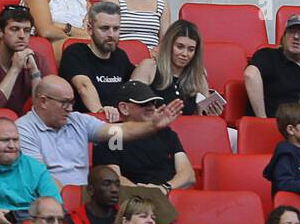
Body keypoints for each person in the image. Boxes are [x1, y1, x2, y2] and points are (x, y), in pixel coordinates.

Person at [18, 75, 184, 188]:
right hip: (48, 202)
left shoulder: (78, 120)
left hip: (82, 200)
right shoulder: (23, 129)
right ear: (43, 102)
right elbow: (41, 179)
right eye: (64, 103)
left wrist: (153, 126)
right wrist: (72, 201)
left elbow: (120, 131)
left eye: (72, 102)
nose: (70, 109)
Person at [92, 82, 195, 191]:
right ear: (124, 108)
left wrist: (165, 188)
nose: (151, 107)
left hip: (170, 194)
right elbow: (112, 177)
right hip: (132, 200)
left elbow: (188, 175)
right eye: (144, 103)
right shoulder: (112, 135)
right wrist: (145, 192)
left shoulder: (165, 132)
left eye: (153, 102)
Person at [59, 1, 135, 117]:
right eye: (104, 28)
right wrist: (101, 114)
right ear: (90, 29)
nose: (111, 34)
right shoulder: (75, 52)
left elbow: (136, 83)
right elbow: (84, 86)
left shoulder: (120, 56)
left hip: (120, 124)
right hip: (87, 125)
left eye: (116, 29)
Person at [246, 16, 300, 123]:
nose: (296, 37)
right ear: (283, 37)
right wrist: (263, 121)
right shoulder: (267, 55)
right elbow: (250, 75)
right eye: (291, 32)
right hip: (272, 122)